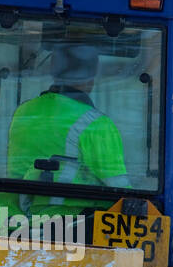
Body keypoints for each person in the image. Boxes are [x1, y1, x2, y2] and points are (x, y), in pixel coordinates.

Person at [7, 42, 130, 201]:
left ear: (54, 73)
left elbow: (15, 174)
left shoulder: (23, 111)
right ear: (91, 79)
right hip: (72, 217)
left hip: (18, 213)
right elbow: (120, 190)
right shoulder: (97, 124)